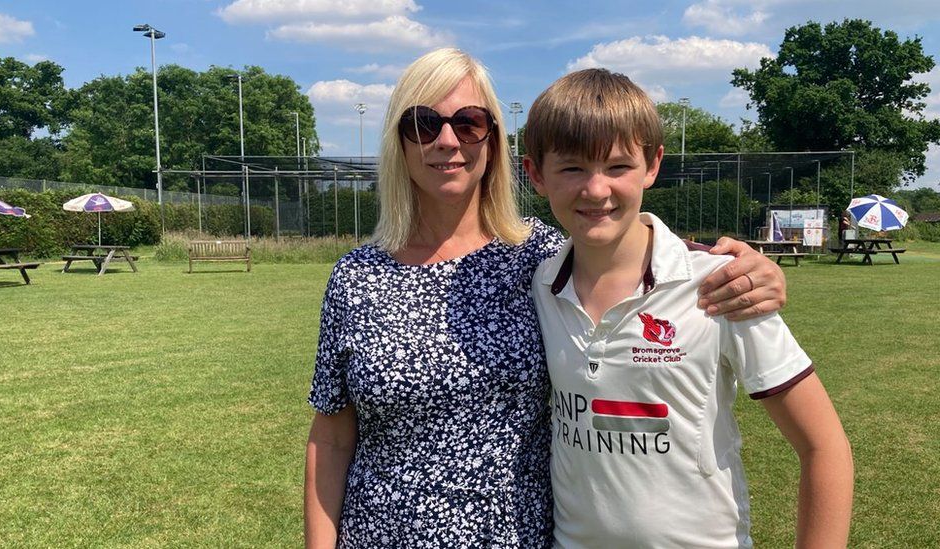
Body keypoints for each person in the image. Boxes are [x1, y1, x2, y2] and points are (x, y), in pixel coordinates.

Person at [304, 48, 790, 548]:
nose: (447, 140)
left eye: (469, 123)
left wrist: (746, 270)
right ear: (398, 141)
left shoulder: (537, 257)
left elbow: (626, 242)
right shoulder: (355, 277)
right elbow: (333, 436)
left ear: (493, 140)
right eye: (423, 123)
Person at [524, 68, 854, 548]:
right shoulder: (538, 282)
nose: (596, 190)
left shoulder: (722, 283)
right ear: (536, 175)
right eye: (572, 168)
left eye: (618, 167)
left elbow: (823, 446)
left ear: (653, 165)